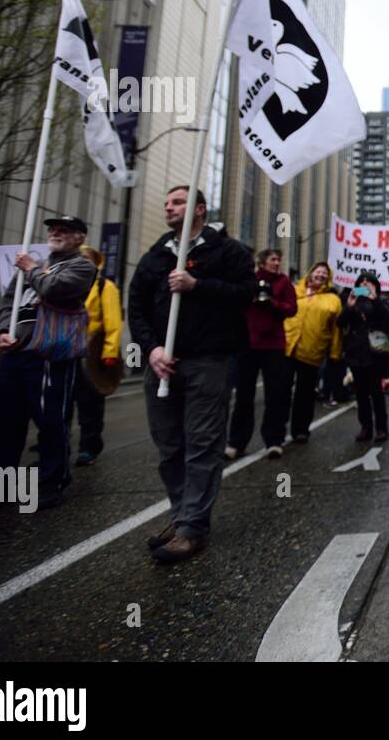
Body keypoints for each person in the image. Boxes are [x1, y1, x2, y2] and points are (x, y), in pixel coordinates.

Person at [128, 187, 254, 563]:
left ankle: (191, 527)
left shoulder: (227, 251)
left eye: (178, 202)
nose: (169, 207)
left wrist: (197, 285)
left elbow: (246, 294)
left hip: (207, 362)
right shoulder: (156, 255)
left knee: (202, 444)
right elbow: (136, 305)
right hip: (163, 364)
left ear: (199, 209)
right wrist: (151, 348)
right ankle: (181, 513)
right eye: (166, 202)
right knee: (169, 446)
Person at [0, 216, 96, 513]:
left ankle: (51, 484)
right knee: (2, 423)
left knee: (50, 421)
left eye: (65, 230)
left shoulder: (82, 266)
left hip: (49, 354)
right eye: (53, 229)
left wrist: (31, 268)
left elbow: (56, 289)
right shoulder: (31, 265)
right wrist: (3, 331)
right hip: (17, 353)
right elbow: (10, 302)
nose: (56, 233)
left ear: (79, 238)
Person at [226, 248, 297, 461]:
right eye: (273, 259)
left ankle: (274, 441)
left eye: (279, 260)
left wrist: (272, 303)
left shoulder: (284, 283)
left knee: (274, 395)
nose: (277, 263)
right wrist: (253, 296)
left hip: (273, 345)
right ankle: (236, 442)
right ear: (262, 262)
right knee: (243, 397)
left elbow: (292, 309)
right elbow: (236, 304)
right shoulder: (250, 280)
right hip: (248, 343)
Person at [70, 244, 122, 466]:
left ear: (94, 262)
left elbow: (113, 322)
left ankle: (89, 448)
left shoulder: (104, 286)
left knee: (89, 404)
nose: (80, 260)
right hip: (63, 352)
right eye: (77, 257)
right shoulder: (66, 283)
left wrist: (109, 352)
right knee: (58, 405)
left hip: (89, 355)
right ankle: (53, 449)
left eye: (84, 257)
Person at [284, 261, 343, 443]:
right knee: (280, 393)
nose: (320, 275)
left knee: (305, 394)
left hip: (312, 352)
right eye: (317, 271)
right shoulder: (294, 291)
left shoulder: (333, 300)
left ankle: (301, 430)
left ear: (328, 278)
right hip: (286, 349)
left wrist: (334, 354)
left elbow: (336, 330)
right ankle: (275, 434)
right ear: (310, 273)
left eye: (324, 273)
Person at [338, 272, 389, 443]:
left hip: (375, 356)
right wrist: (349, 307)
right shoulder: (353, 302)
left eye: (369, 282)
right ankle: (366, 427)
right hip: (356, 356)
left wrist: (375, 299)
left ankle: (381, 428)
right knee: (361, 395)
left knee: (377, 393)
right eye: (361, 283)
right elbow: (340, 323)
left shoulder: (382, 303)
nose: (364, 285)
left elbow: (388, 322)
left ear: (375, 286)